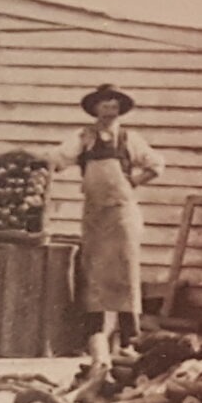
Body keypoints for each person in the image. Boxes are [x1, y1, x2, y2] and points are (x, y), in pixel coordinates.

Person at [68, 85, 159, 378]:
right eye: (104, 107)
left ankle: (130, 338)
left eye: (114, 107)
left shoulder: (130, 139)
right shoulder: (83, 137)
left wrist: (135, 179)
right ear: (95, 110)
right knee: (93, 275)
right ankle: (94, 338)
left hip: (122, 214)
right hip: (95, 215)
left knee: (125, 274)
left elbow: (157, 164)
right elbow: (58, 158)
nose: (109, 112)